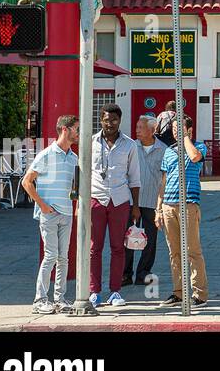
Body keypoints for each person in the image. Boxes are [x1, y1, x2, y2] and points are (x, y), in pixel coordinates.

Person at [21, 115, 80, 315]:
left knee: (64, 258)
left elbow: (75, 186)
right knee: (51, 256)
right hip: (50, 214)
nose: (78, 133)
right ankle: (40, 300)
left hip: (67, 213)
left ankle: (60, 299)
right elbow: (26, 182)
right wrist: (43, 205)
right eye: (76, 129)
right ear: (65, 129)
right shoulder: (46, 155)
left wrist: (76, 201)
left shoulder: (74, 158)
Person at [89, 103, 140, 309]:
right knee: (94, 248)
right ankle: (94, 291)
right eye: (106, 119)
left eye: (113, 120)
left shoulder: (129, 145)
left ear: (120, 120)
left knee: (118, 247)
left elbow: (135, 178)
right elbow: (82, 173)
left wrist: (135, 206)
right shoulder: (90, 142)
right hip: (96, 198)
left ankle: (115, 291)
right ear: (100, 120)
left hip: (120, 200)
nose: (109, 123)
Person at [158, 114, 208, 306]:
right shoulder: (168, 151)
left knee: (192, 250)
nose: (176, 131)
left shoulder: (199, 146)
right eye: (174, 129)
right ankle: (178, 291)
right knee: (174, 252)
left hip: (188, 204)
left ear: (189, 130)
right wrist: (158, 208)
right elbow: (163, 180)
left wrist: (186, 138)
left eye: (180, 128)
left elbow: (195, 157)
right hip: (168, 205)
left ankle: (199, 293)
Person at [123, 115, 166, 288]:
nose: (137, 130)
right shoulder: (131, 147)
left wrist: (161, 205)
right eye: (137, 127)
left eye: (141, 127)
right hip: (132, 200)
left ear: (152, 130)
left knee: (150, 240)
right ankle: (125, 274)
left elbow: (164, 178)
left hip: (152, 201)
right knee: (128, 238)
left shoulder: (163, 149)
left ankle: (143, 272)